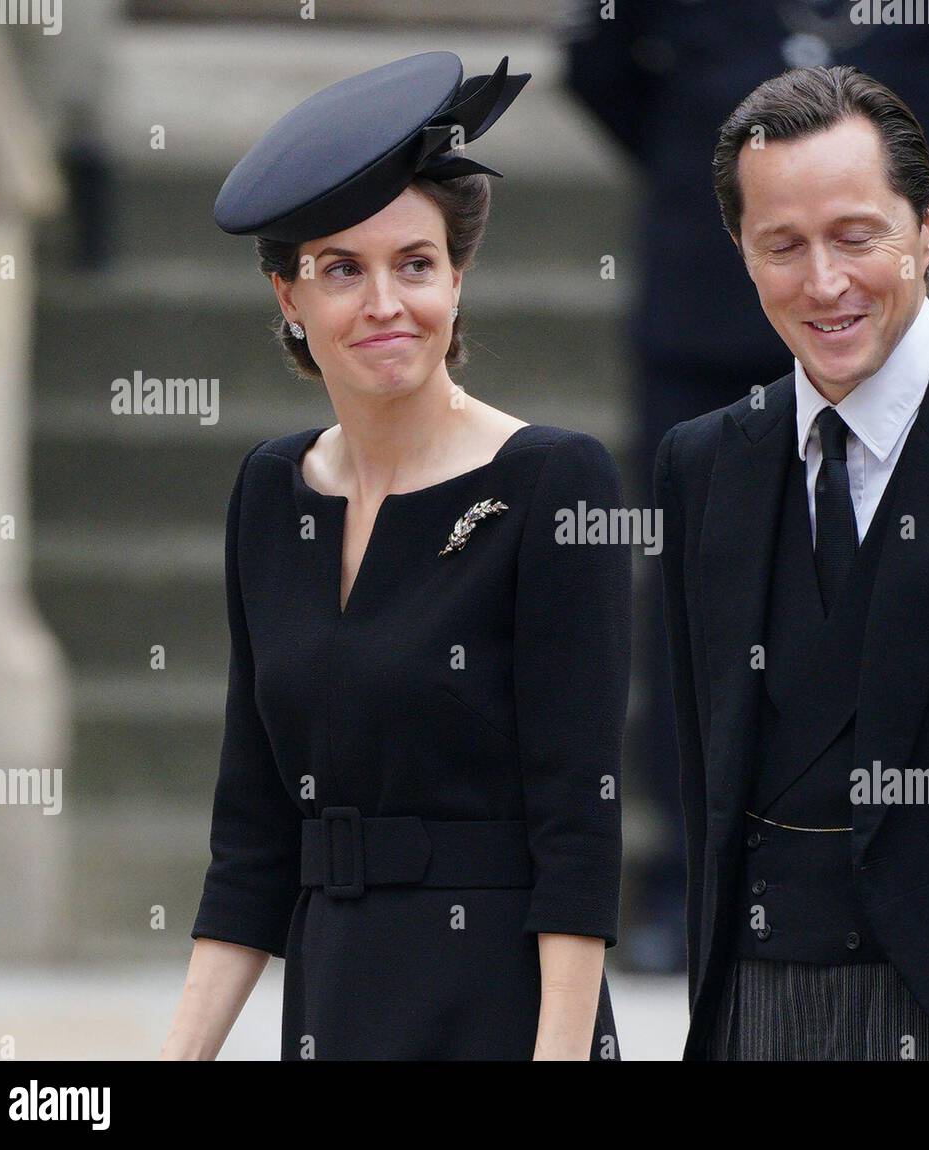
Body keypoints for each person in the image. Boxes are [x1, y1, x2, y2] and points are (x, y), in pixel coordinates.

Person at [564, 0, 929, 974]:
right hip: (706, 319)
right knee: (697, 614)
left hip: (908, 313)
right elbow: (601, 66)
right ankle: (690, 876)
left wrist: (862, 183)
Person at [160, 52, 631, 1061]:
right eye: (341, 268)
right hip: (332, 1000)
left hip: (500, 1005)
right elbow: (251, 834)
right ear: (289, 299)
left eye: (414, 264)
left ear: (456, 281)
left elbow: (577, 826)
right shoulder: (269, 490)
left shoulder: (553, 480)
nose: (385, 303)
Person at [655, 64, 929, 1060]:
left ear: (927, 228)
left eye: (855, 236)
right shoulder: (703, 462)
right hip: (750, 1005)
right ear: (739, 252)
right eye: (782, 247)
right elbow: (701, 765)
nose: (824, 283)